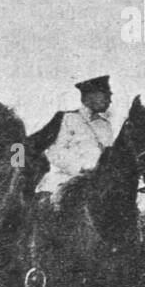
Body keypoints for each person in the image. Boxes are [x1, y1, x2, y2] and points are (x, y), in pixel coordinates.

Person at [36, 75, 116, 203]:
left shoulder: (106, 126)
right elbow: (54, 152)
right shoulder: (67, 119)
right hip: (65, 180)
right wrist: (81, 167)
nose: (109, 101)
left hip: (98, 184)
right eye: (105, 96)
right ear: (90, 96)